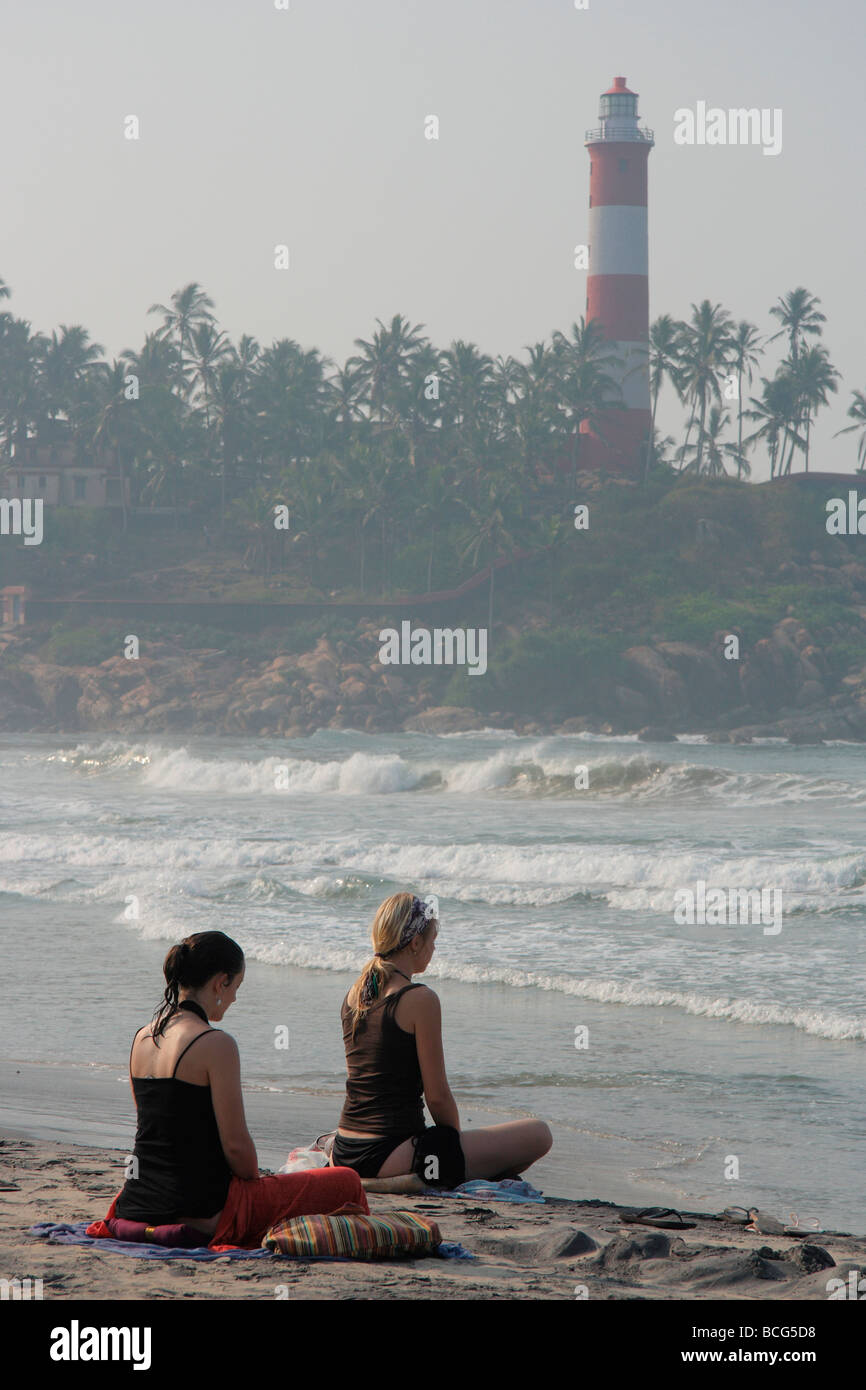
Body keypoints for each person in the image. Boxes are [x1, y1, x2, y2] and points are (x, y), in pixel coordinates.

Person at [108, 931, 366, 1247]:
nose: (234, 999)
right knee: (347, 1182)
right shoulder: (216, 1043)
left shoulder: (142, 1038)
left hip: (139, 1203)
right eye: (236, 988)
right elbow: (236, 1147)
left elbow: (157, 1130)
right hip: (205, 1211)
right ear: (221, 982)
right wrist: (259, 1182)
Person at [333, 893, 552, 1189]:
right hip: (387, 1154)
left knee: (495, 1154)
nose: (434, 948)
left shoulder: (355, 994)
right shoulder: (419, 999)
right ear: (415, 943)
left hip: (345, 1150)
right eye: (432, 940)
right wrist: (452, 1147)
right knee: (538, 1134)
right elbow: (437, 1096)